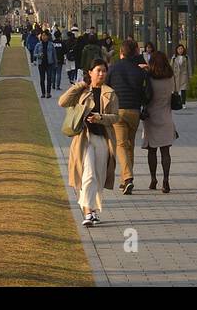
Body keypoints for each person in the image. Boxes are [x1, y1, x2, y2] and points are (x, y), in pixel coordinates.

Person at [58, 57, 118, 227]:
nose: (101, 73)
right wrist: (79, 85)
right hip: (84, 139)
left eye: (104, 70)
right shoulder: (83, 91)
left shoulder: (110, 93)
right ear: (90, 72)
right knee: (88, 174)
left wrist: (100, 118)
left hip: (103, 139)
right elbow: (62, 102)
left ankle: (92, 209)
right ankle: (87, 211)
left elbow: (115, 117)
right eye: (98, 70)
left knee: (99, 176)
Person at [105, 38, 148, 194]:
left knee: (121, 145)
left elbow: (107, 88)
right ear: (135, 52)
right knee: (130, 144)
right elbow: (145, 92)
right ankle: (125, 180)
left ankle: (128, 177)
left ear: (121, 52)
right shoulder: (139, 70)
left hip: (118, 110)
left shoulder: (113, 68)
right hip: (134, 111)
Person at [141, 48, 177, 192]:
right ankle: (166, 180)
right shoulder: (170, 77)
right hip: (166, 116)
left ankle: (153, 179)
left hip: (151, 116)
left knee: (152, 151)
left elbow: (145, 94)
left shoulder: (149, 78)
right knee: (165, 151)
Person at [33, 29, 60, 98]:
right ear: (41, 36)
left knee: (49, 78)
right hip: (41, 64)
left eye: (45, 35)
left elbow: (54, 54)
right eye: (42, 36)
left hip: (49, 63)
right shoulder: (38, 45)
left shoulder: (51, 44)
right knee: (42, 79)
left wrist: (56, 63)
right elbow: (34, 54)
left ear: (48, 36)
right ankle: (43, 93)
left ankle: (48, 93)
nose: (44, 37)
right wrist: (39, 55)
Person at [170, 43, 190, 108]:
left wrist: (190, 75)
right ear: (177, 50)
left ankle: (183, 103)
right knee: (176, 89)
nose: (180, 50)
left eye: (181, 49)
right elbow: (171, 66)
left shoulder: (186, 57)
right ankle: (176, 103)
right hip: (176, 75)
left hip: (184, 75)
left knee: (183, 89)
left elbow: (189, 67)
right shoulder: (174, 57)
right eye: (179, 49)